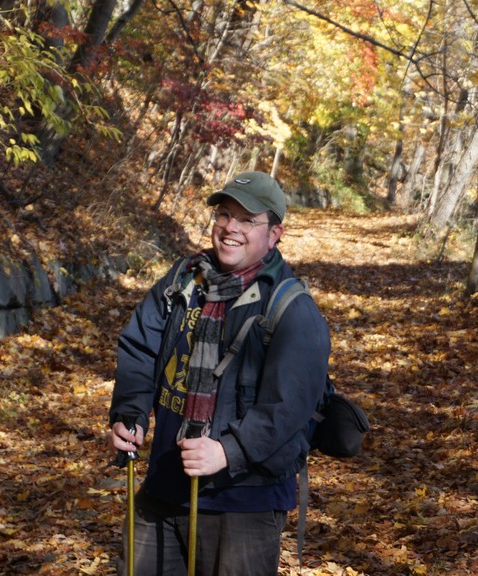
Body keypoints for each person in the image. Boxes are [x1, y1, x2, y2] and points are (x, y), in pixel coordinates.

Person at [108, 170, 331, 576]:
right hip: (165, 483)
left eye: (248, 220)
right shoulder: (183, 280)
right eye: (225, 214)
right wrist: (130, 413)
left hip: (244, 501)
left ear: (275, 233)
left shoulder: (291, 308)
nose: (231, 227)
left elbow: (290, 407)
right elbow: (140, 346)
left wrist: (228, 451)